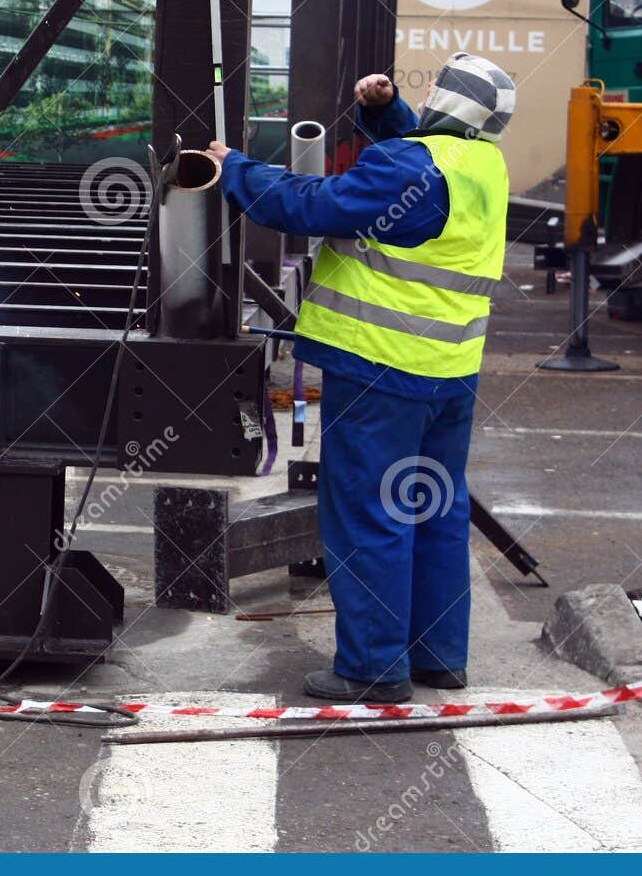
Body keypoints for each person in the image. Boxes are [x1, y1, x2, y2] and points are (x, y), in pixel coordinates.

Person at [208, 53, 515, 703]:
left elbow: (308, 204)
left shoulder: (408, 167)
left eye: (434, 88)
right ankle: (438, 654)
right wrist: (384, 112)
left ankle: (372, 667)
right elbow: (428, 164)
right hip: (449, 372)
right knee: (433, 508)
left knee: (369, 513)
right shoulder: (484, 164)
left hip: (381, 369)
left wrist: (233, 167)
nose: (424, 91)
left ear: (449, 103)